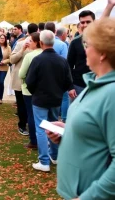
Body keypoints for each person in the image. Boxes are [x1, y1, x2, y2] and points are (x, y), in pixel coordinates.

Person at [47, 16, 115, 200]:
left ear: (102, 53)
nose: (84, 50)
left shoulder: (111, 94)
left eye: (88, 45)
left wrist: (90, 197)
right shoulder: (94, 83)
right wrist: (66, 133)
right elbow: (95, 135)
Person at [26, 30, 73, 172]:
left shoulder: (38, 60)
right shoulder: (62, 60)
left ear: (41, 43)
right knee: (54, 126)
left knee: (41, 128)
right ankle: (55, 155)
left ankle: (44, 160)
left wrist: (35, 92)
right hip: (55, 98)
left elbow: (29, 81)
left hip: (40, 98)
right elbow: (68, 81)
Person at [18, 32, 42, 150]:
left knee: (31, 115)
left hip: (28, 90)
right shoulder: (45, 54)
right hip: (43, 90)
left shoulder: (30, 56)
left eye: (31, 41)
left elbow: (21, 73)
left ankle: (34, 141)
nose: (29, 43)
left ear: (37, 42)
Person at [0, 34, 11, 104]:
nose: (2, 39)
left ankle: (0, 97)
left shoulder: (8, 47)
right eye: (1, 38)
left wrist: (4, 61)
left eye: (3, 38)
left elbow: (10, 58)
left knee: (1, 81)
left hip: (4, 67)